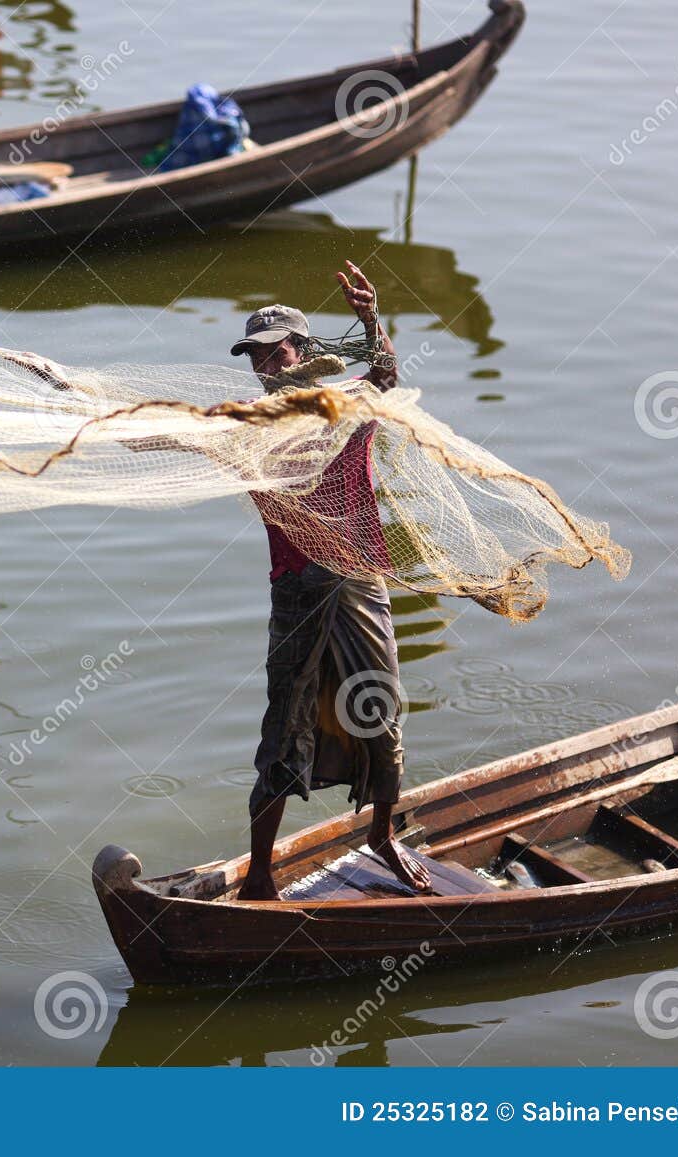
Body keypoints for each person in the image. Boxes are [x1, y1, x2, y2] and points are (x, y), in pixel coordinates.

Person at [232, 261, 433, 901]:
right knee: (285, 721)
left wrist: (373, 317)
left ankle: (380, 835)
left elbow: (387, 374)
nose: (267, 366)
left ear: (303, 351)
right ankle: (260, 875)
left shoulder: (344, 404)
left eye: (277, 352)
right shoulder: (249, 423)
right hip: (297, 587)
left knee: (381, 708)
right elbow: (169, 433)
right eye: (256, 357)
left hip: (359, 577)